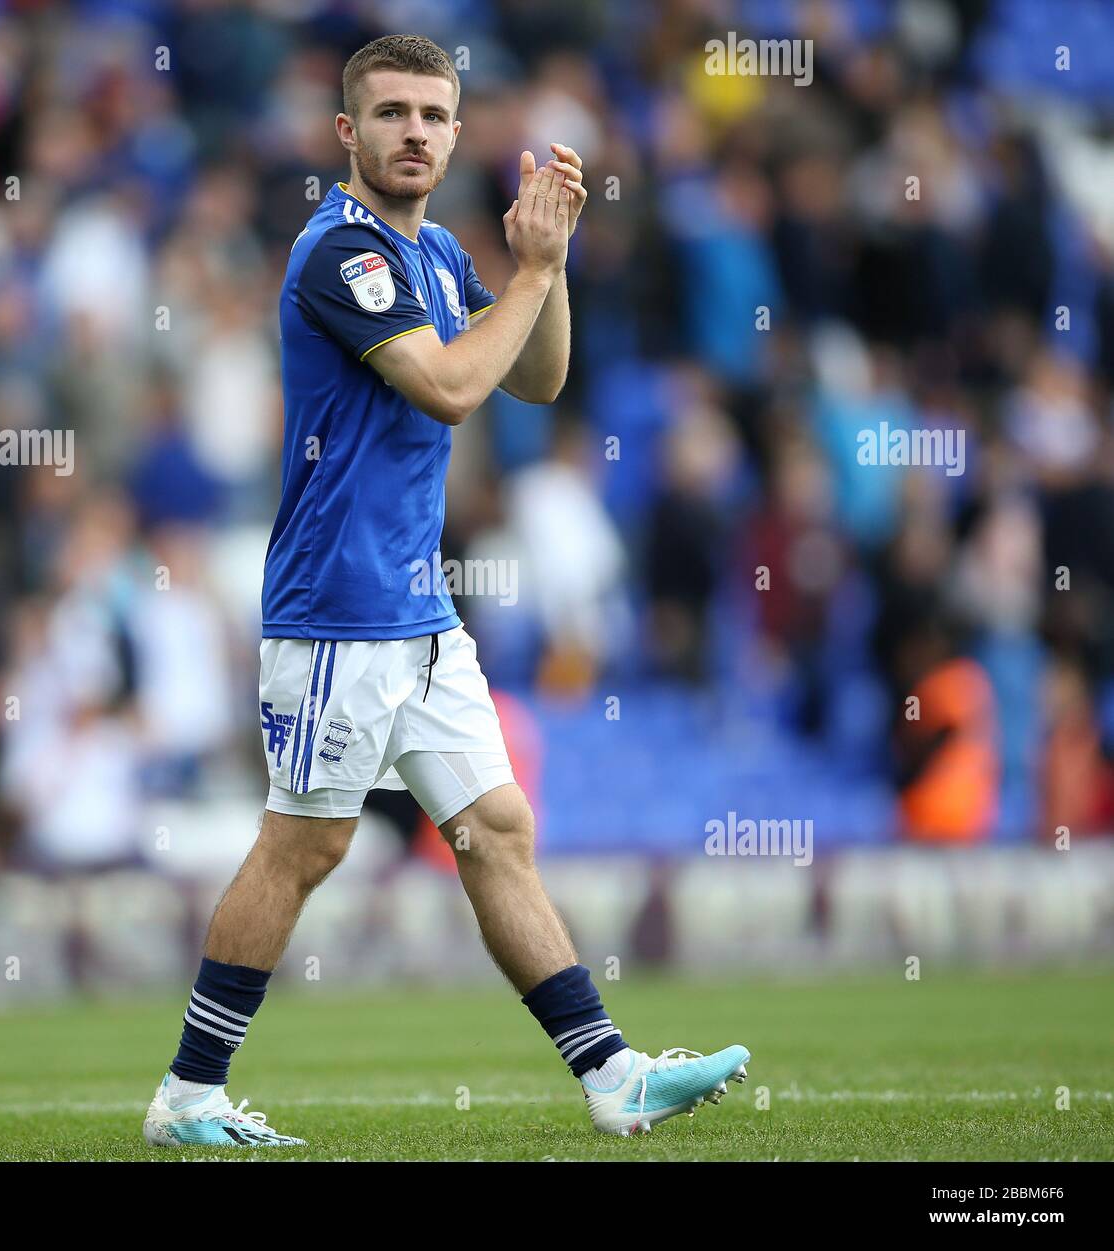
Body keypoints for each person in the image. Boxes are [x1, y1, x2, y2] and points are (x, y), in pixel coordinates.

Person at [142, 34, 748, 1148]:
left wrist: (548, 265)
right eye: (390, 113)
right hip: (336, 612)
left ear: (457, 132)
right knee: (304, 845)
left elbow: (537, 374)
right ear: (348, 134)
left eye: (432, 113)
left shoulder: (434, 255)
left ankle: (609, 1074)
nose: (413, 131)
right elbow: (454, 387)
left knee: (497, 829)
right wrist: (523, 278)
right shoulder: (342, 255)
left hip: (417, 611)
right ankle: (186, 1094)